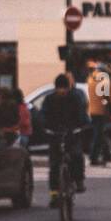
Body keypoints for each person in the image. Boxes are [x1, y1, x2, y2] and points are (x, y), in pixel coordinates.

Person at [41, 73, 88, 202]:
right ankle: (54, 194)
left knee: (77, 155)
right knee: (54, 165)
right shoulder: (49, 100)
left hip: (72, 133)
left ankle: (79, 180)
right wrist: (45, 127)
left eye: (64, 88)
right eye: (59, 88)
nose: (62, 91)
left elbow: (82, 115)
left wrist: (82, 126)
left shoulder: (75, 98)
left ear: (68, 88)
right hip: (55, 134)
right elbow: (43, 115)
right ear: (56, 88)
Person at [86, 62, 111, 165]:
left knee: (98, 134)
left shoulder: (90, 79)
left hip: (91, 110)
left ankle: (105, 155)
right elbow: (106, 97)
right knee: (98, 135)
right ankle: (94, 157)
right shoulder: (103, 79)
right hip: (101, 110)